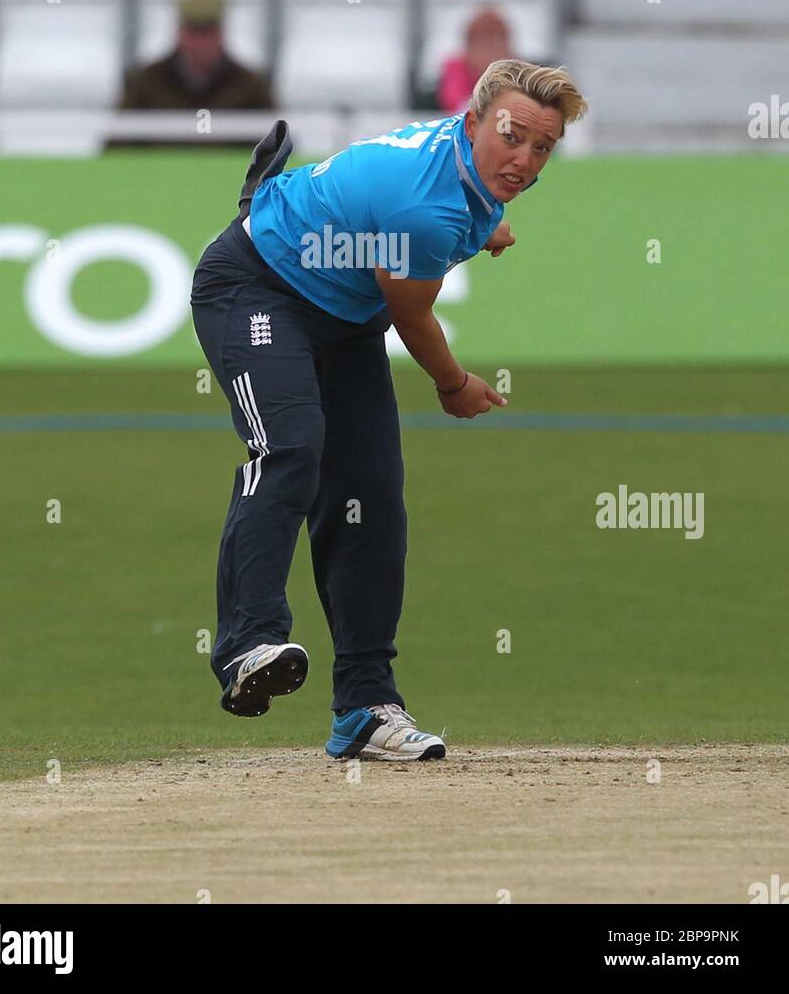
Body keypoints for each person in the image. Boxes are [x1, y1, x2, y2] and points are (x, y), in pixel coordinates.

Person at [190, 60, 588, 761]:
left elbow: (450, 208)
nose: (524, 160)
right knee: (289, 450)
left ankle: (366, 709)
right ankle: (247, 644)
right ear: (471, 124)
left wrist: (484, 225)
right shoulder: (424, 210)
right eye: (512, 138)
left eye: (542, 148)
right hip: (255, 288)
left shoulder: (468, 171)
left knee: (369, 496)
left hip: (341, 316)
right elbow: (412, 317)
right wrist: (453, 383)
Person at [120, 0, 273, 115]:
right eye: (195, 32)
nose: (202, 42)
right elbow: (117, 146)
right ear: (180, 34)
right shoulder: (145, 84)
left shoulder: (251, 87)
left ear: (222, 35)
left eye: (208, 33)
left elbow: (276, 145)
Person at [436, 7, 514, 114]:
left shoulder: (518, 69)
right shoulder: (455, 68)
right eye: (483, 43)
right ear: (468, 46)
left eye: (497, 42)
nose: (490, 51)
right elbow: (454, 104)